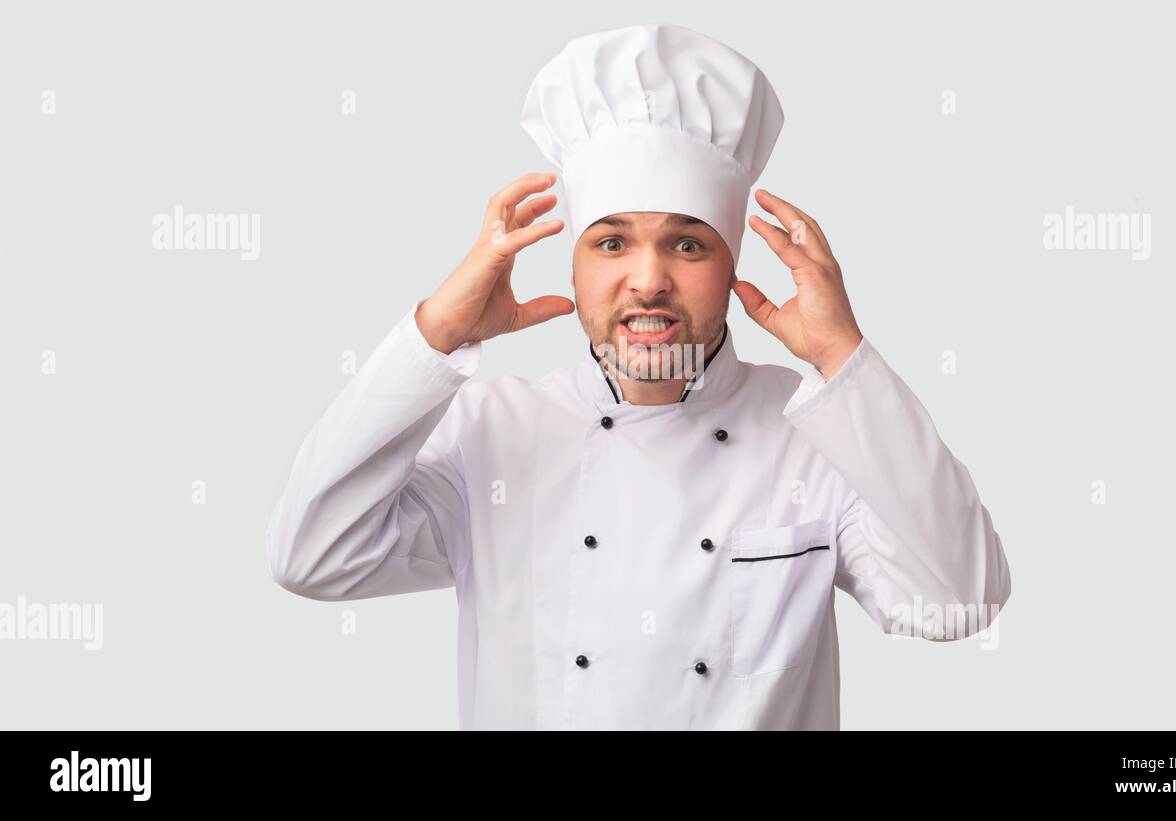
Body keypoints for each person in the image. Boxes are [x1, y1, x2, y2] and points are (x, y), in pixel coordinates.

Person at [266, 23, 1011, 730]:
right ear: (573, 265)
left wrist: (844, 356)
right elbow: (314, 555)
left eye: (688, 245)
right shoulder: (493, 432)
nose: (648, 281)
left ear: (731, 268)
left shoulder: (816, 432)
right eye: (612, 242)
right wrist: (436, 332)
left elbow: (960, 600)